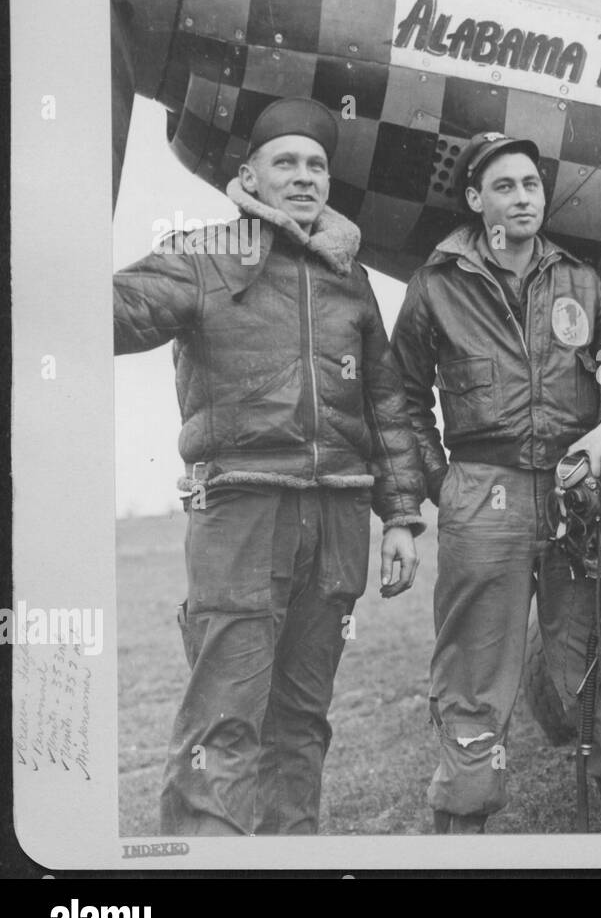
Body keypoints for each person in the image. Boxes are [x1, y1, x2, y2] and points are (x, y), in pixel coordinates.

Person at [114, 96, 426, 835]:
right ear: (249, 173)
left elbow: (385, 404)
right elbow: (123, 307)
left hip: (340, 518)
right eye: (285, 161)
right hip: (244, 513)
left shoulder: (350, 278)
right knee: (222, 719)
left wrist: (405, 516)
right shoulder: (203, 253)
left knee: (302, 721)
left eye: (316, 164)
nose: (304, 176)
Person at [390, 132, 601, 833]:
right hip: (485, 492)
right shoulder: (436, 286)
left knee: (596, 656)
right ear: (476, 200)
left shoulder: (581, 281)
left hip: (578, 490)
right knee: (476, 671)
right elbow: (400, 397)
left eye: (532, 185)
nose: (522, 197)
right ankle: (464, 827)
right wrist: (443, 481)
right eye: (504, 186)